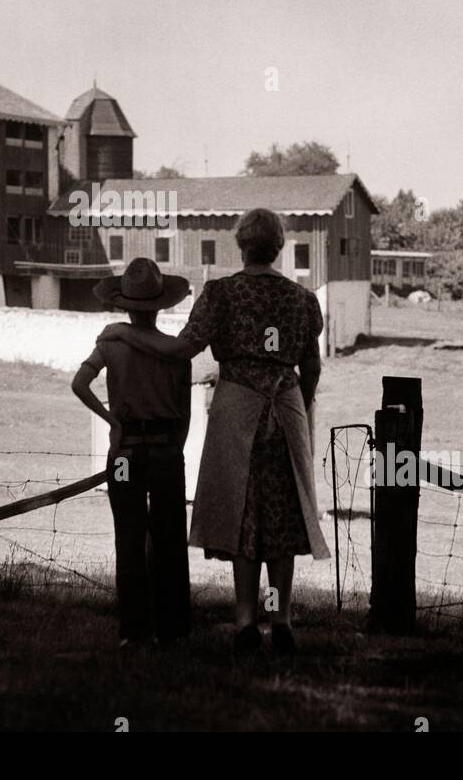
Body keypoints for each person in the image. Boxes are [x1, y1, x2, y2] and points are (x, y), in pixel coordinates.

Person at [98, 208, 330, 660]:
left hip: (236, 408)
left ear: (240, 245)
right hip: (287, 411)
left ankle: (245, 621)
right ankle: (279, 619)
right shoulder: (303, 300)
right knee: (283, 515)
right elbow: (312, 368)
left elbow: (182, 348)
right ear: (279, 247)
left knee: (242, 512)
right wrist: (295, 406)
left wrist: (123, 335)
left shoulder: (222, 294)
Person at [72, 257, 193, 647]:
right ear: (160, 306)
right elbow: (185, 412)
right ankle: (172, 629)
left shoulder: (111, 342)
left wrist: (112, 420)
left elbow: (79, 383)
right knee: (170, 539)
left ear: (124, 304)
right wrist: (176, 447)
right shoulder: (177, 351)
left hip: (124, 454)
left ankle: (134, 631)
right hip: (165, 452)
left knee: (128, 537)